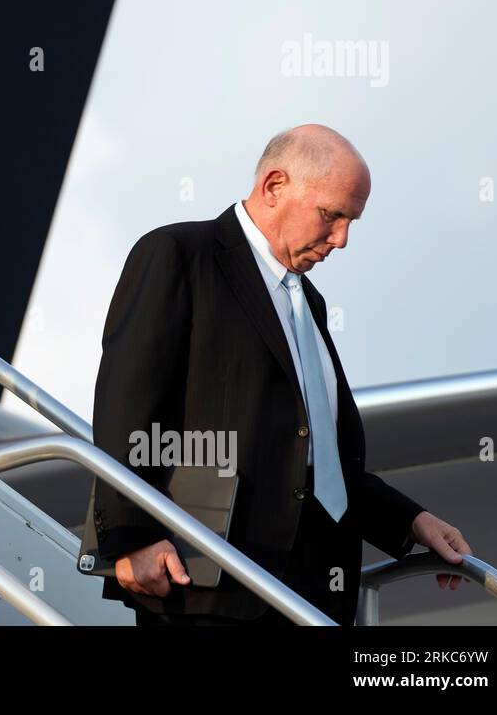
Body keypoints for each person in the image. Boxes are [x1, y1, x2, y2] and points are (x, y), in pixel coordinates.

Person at [92, 124, 471, 625]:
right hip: (207, 587)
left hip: (311, 594)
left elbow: (318, 459)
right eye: (332, 215)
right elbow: (127, 405)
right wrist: (131, 535)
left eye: (351, 221)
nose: (341, 239)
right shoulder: (180, 255)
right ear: (274, 186)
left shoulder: (307, 302)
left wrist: (410, 521)